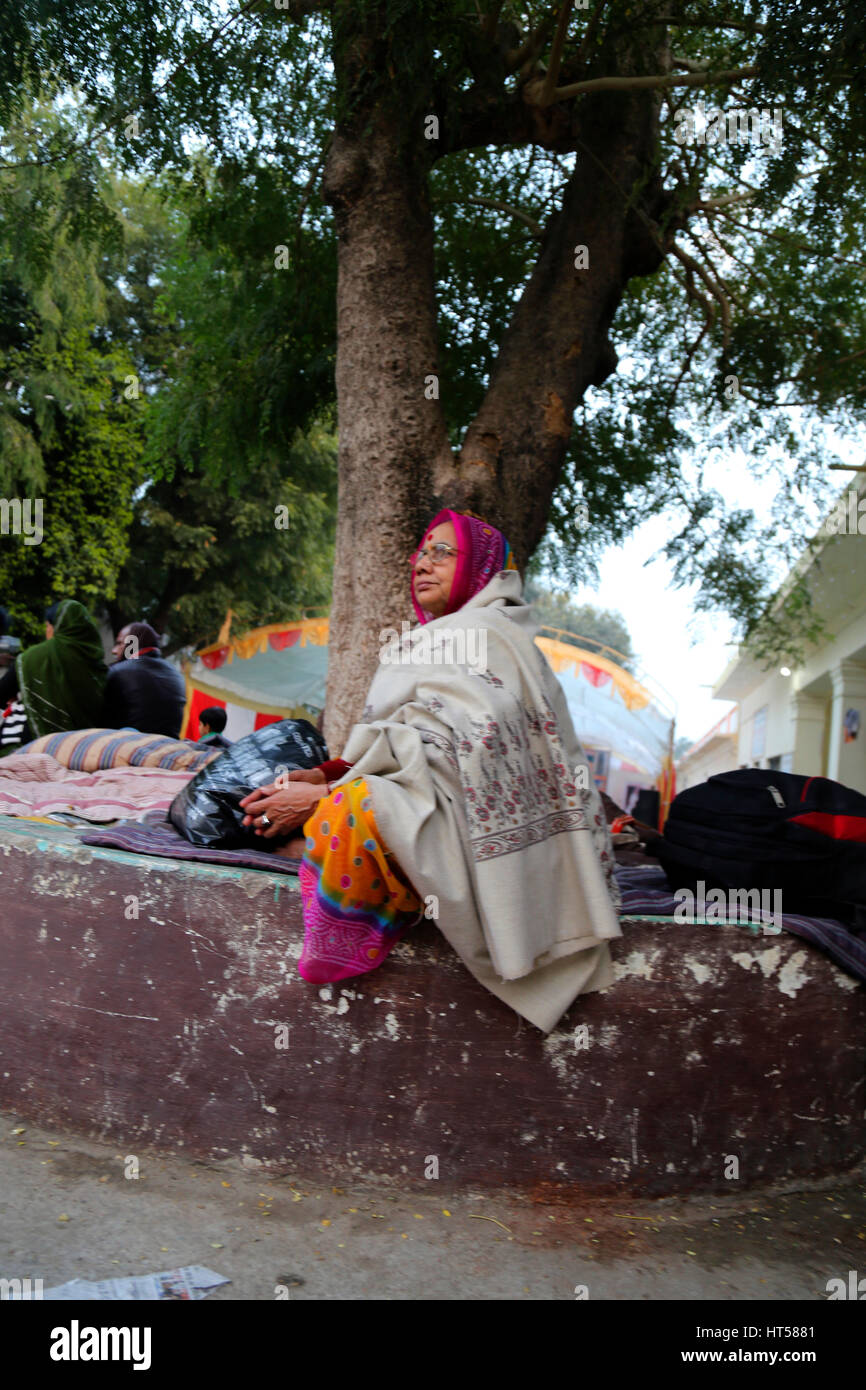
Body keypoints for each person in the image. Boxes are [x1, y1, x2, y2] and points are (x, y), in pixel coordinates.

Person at [239, 509, 621, 1034]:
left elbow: (461, 756)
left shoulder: (489, 637)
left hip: (480, 832)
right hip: (444, 808)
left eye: (444, 551)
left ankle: (350, 938)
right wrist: (326, 775)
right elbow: (412, 741)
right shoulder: (444, 637)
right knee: (326, 801)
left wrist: (331, 795)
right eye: (422, 551)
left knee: (348, 814)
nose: (424, 562)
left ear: (482, 568)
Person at [0, 599, 107, 739]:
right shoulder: (98, 666)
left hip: (38, 745)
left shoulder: (32, 658)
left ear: (55, 627)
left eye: (47, 626)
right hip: (90, 745)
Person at [103, 621, 186, 739]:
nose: (114, 651)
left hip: (128, 748)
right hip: (168, 748)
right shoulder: (177, 675)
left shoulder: (119, 671)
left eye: (120, 643)